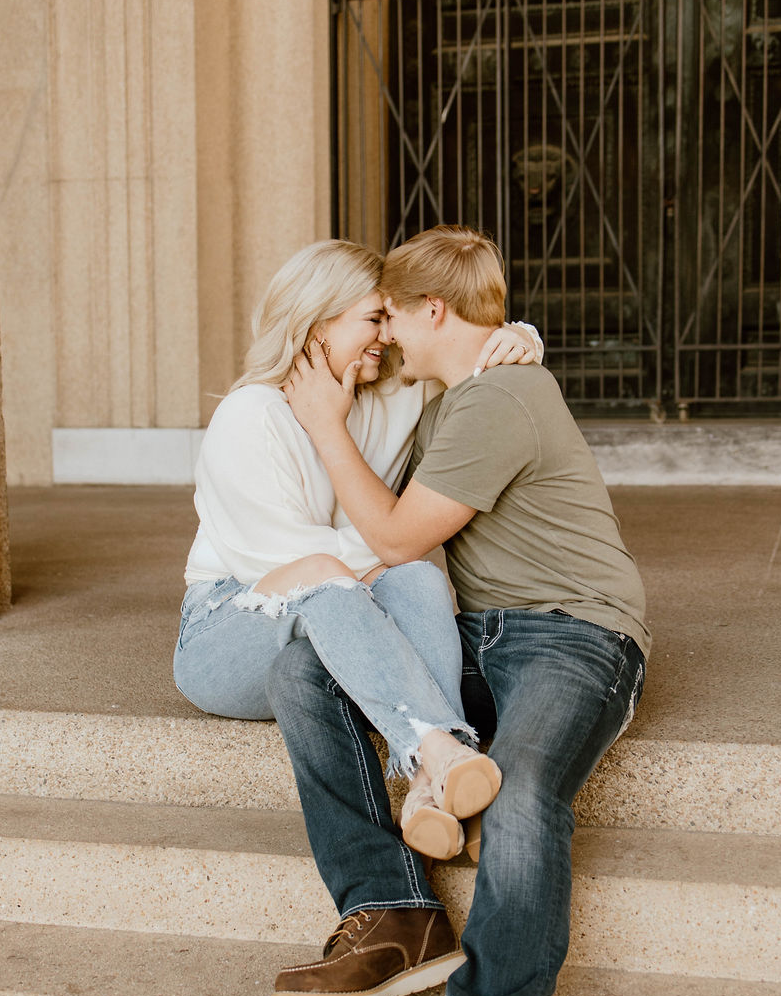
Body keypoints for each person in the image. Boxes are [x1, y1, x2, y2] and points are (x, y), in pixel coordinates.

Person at [271, 224, 650, 996]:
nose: (382, 332)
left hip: (569, 640)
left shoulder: (503, 395)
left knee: (522, 797)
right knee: (305, 661)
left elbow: (394, 532)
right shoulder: (456, 396)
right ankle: (393, 903)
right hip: (473, 634)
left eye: (389, 312)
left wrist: (324, 427)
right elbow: (393, 545)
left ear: (431, 311)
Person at [173, 238, 543, 903]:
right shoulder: (249, 417)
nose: (387, 334)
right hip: (228, 630)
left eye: (389, 318)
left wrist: (518, 340)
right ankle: (440, 752)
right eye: (372, 318)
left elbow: (460, 347)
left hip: (344, 608)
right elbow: (292, 566)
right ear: (318, 323)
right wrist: (385, 551)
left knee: (420, 579)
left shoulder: (389, 396)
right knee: (338, 571)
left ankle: (435, 782)